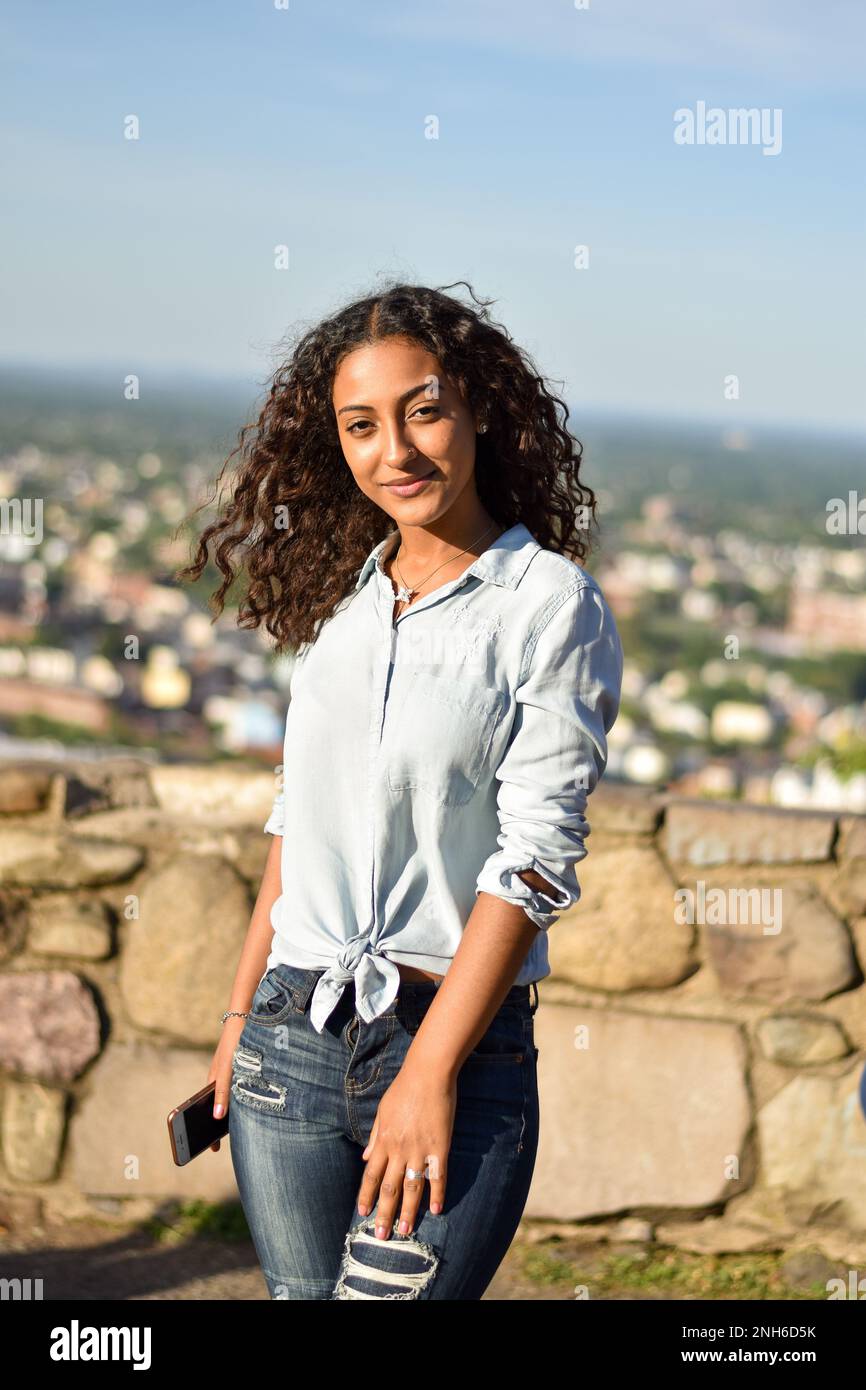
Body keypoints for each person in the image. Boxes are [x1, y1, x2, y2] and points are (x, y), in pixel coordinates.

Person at [177, 280, 623, 1300]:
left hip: (447, 1052)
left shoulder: (546, 606)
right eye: (361, 425)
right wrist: (239, 1016)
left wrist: (427, 1077)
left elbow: (533, 864)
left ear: (476, 410)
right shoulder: (351, 610)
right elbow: (300, 821)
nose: (396, 451)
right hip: (287, 1040)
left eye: (422, 410)